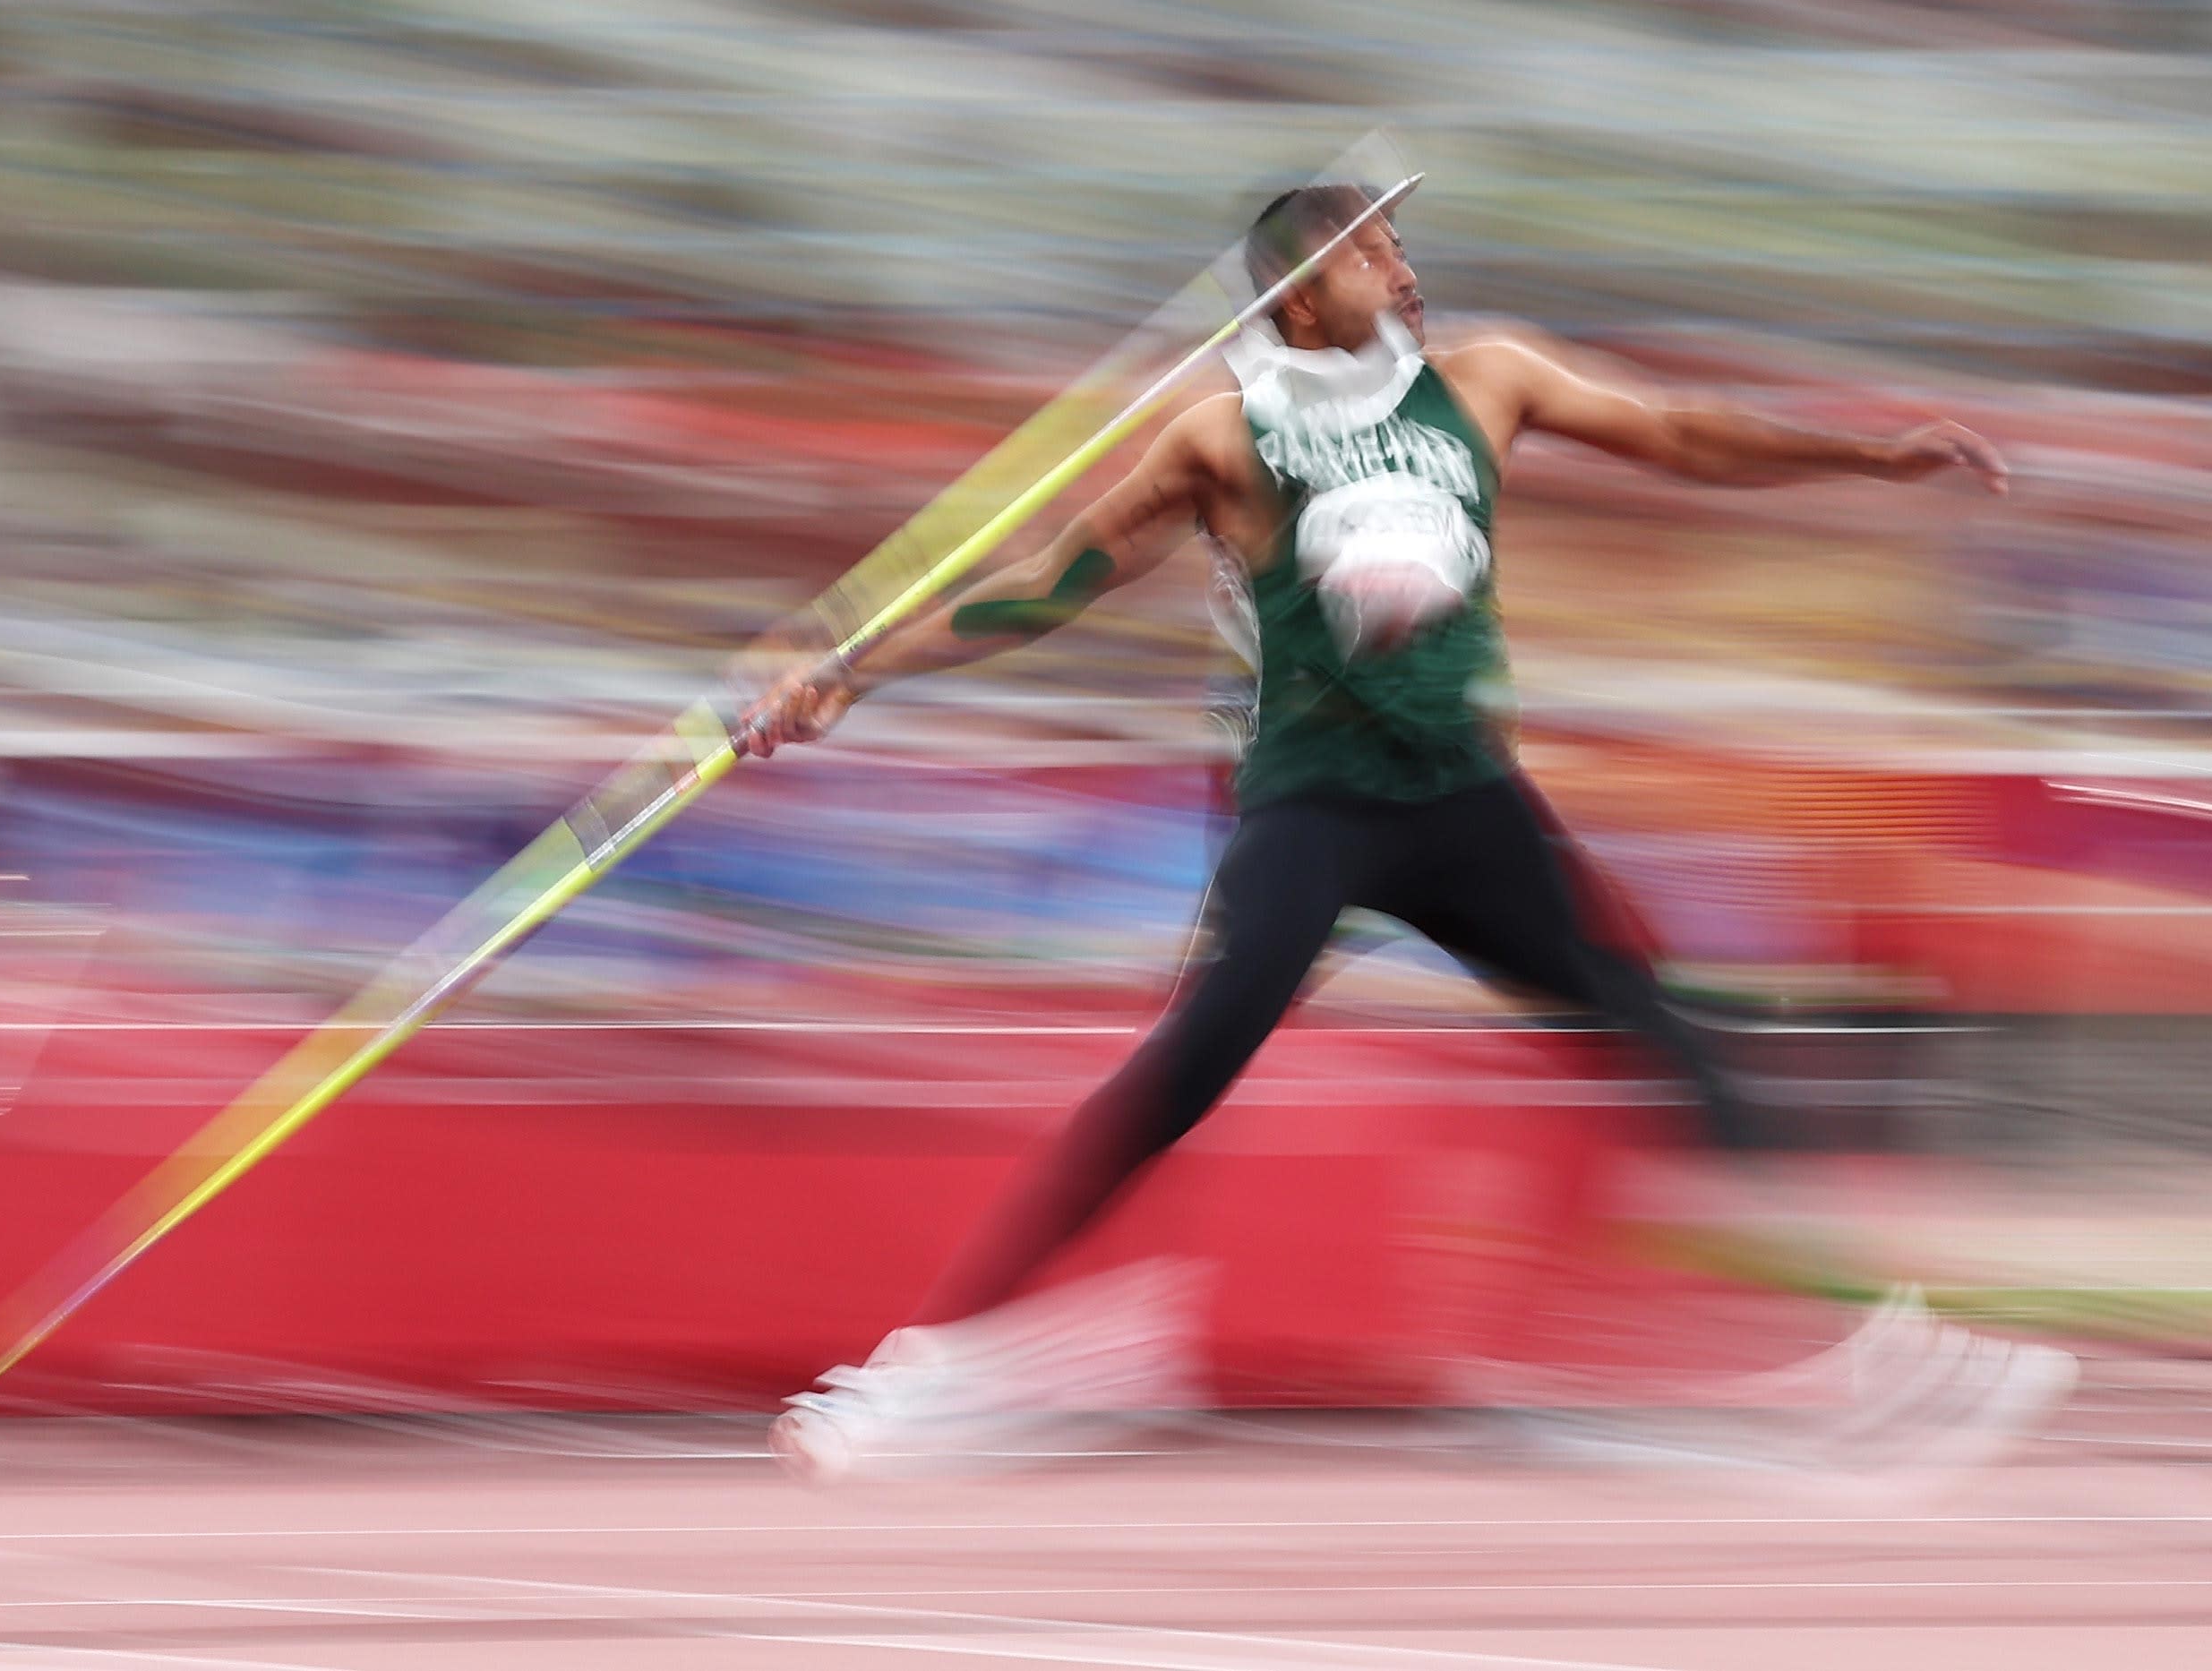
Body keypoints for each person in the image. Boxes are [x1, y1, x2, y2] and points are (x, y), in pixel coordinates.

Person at [740, 181, 2059, 1482]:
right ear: (1299, 297)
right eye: (1372, 254)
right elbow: (1047, 583)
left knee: (1659, 1028)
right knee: (1179, 1078)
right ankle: (917, 1374)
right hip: (1314, 807)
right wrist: (852, 667)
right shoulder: (1224, 435)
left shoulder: (1488, 379)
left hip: (1466, 802)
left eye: (1401, 244)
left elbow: (1678, 430)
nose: (1406, 269)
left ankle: (1890, 1353)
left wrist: (1870, 454)